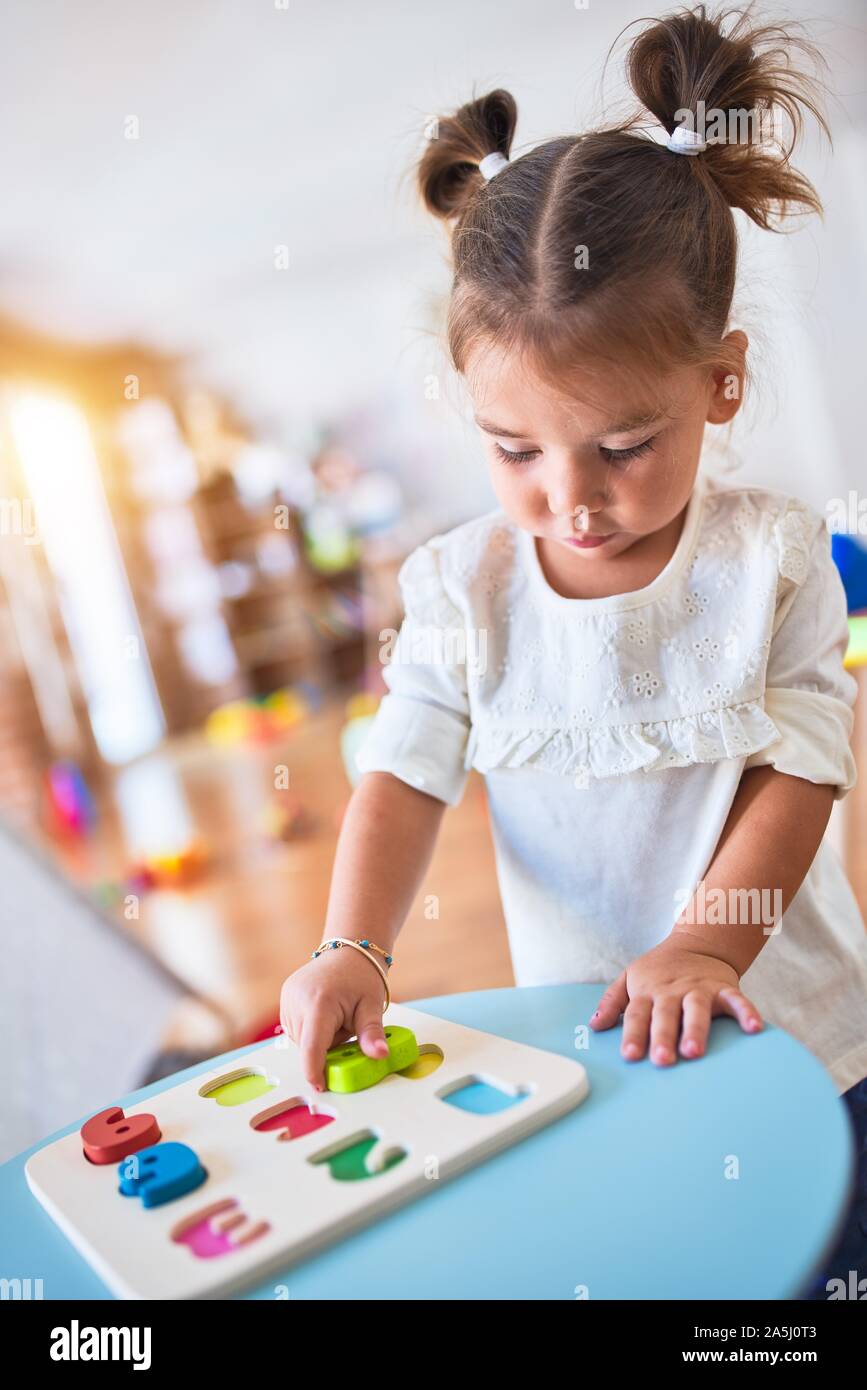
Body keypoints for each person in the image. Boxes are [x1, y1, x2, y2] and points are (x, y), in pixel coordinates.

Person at [281, 4, 867, 1297]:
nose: (571, 496)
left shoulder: (773, 560)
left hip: (802, 1036)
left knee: (824, 1267)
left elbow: (803, 773)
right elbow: (404, 772)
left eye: (621, 445)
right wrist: (353, 946)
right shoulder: (461, 584)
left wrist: (711, 943)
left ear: (722, 381)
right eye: (516, 450)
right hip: (587, 1042)